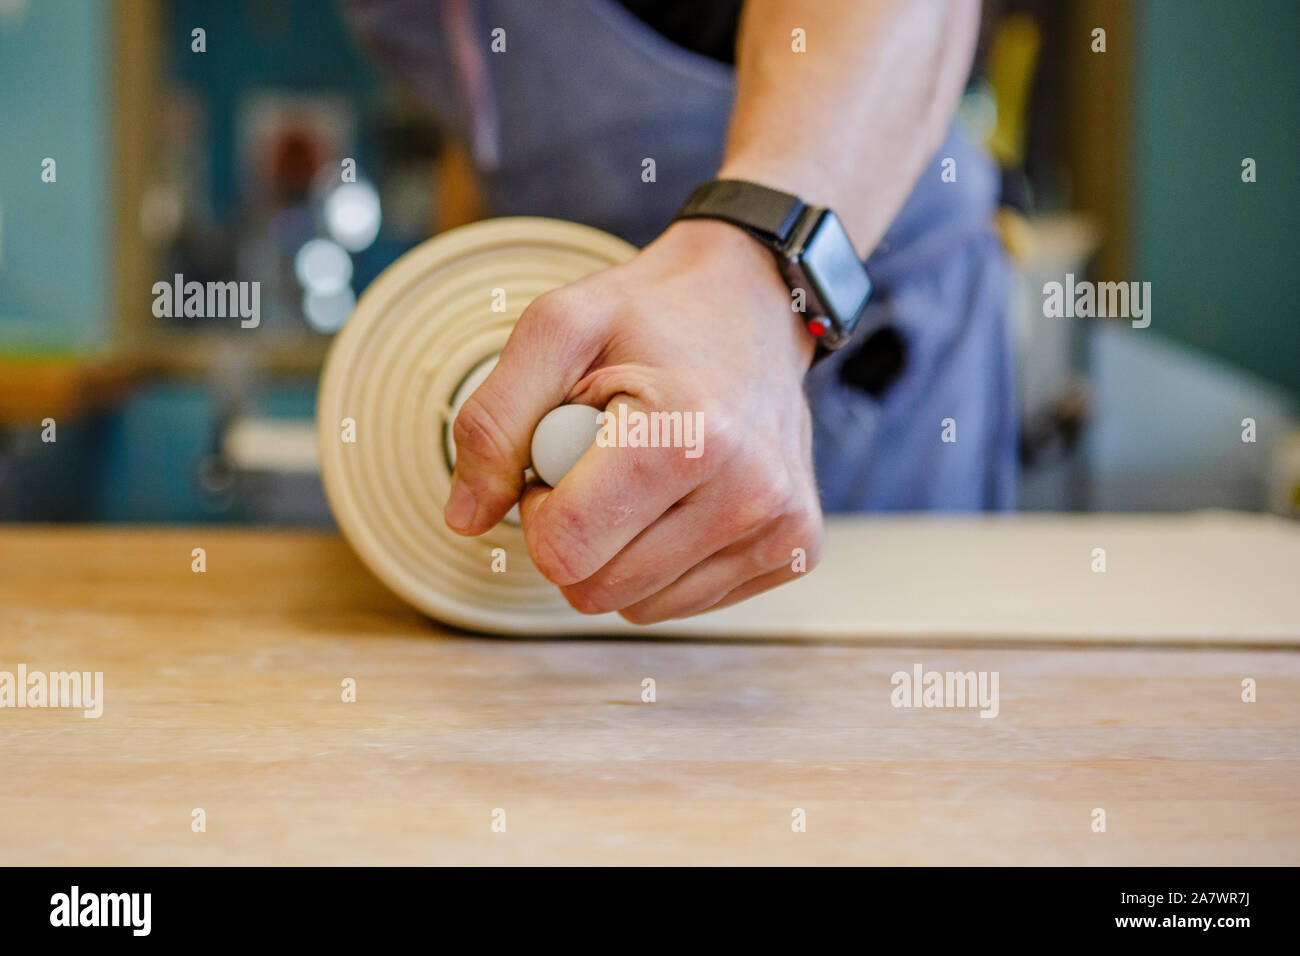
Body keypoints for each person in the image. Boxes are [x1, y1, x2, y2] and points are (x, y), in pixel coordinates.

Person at [346, 0, 1016, 623]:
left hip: (841, 343)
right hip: (589, 366)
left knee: (847, 699)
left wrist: (753, 274)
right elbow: (489, 129)